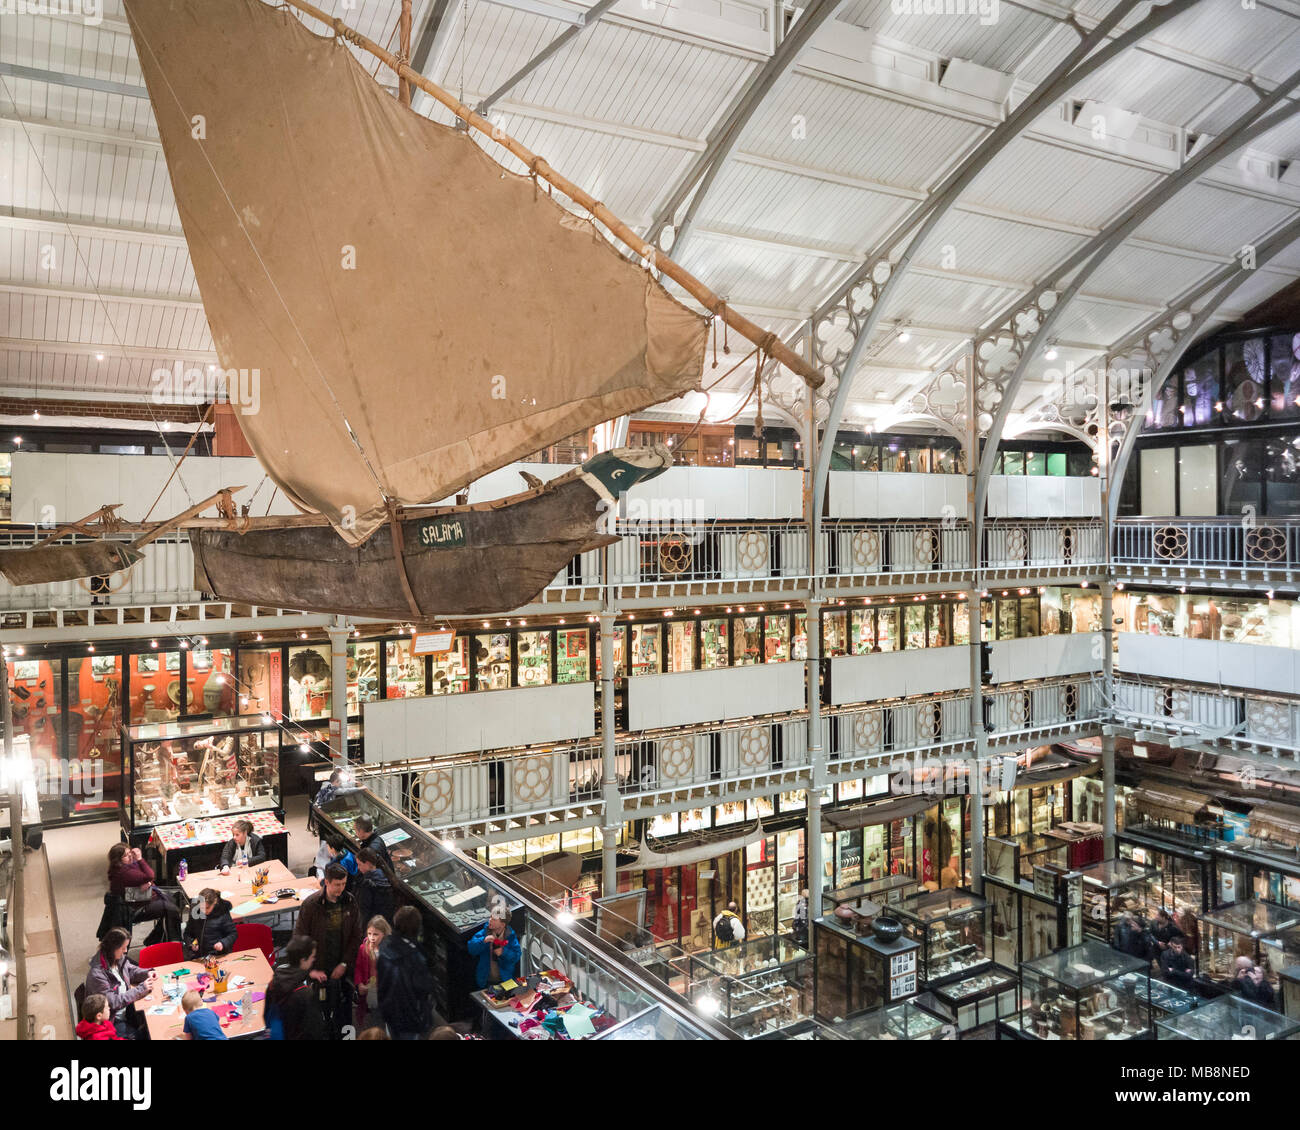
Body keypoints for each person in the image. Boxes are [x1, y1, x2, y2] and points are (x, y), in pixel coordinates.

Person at [295, 862, 361, 1038]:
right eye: (337, 885)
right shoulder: (311, 905)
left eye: (344, 884)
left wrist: (345, 963)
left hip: (343, 970)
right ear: (327, 882)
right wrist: (310, 971)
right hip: (319, 970)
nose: (341, 889)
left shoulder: (350, 901)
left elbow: (356, 935)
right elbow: (299, 939)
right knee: (318, 1015)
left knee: (344, 1016)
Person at [84, 927, 155, 1039]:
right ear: (113, 948)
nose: (125, 951)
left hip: (126, 1010)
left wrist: (148, 973)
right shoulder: (97, 975)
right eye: (123, 948)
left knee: (152, 1021)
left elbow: (131, 971)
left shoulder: (118, 958)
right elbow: (114, 1002)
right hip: (111, 1021)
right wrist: (141, 989)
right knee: (145, 1035)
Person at [377, 905, 435, 1040]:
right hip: (410, 1017)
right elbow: (424, 988)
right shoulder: (415, 958)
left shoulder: (385, 945)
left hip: (389, 1010)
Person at [106, 843, 178, 946]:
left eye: (130, 852)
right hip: (133, 909)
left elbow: (146, 877)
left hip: (134, 899)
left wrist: (146, 882)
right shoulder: (125, 872)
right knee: (171, 908)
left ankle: (155, 939)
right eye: (126, 855)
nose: (130, 856)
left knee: (171, 901)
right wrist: (140, 859)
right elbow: (150, 875)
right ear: (118, 860)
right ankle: (172, 943)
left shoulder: (125, 867)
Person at [266, 937, 328, 1041]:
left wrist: (307, 974)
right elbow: (315, 1031)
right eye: (312, 956)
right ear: (303, 959)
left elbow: (266, 1012)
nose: (314, 959)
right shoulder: (305, 994)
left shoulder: (275, 979)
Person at [468, 901, 521, 989]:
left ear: (502, 924)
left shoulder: (510, 937)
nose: (490, 920)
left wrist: (503, 952)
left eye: (494, 919)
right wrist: (483, 941)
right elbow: (471, 948)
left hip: (504, 981)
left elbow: (516, 956)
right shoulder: (484, 933)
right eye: (490, 917)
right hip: (486, 980)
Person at [354, 915, 392, 1032]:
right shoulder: (363, 948)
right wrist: (359, 983)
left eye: (376, 934)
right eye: (369, 933)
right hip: (371, 991)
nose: (372, 937)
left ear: (384, 934)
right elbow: (359, 967)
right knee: (375, 1018)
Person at [182, 888, 238, 958]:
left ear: (214, 903)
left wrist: (223, 943)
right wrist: (191, 943)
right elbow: (187, 933)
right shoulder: (195, 912)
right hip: (199, 956)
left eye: (207, 908)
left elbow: (233, 934)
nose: (204, 911)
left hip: (218, 956)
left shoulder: (222, 913)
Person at [354, 848, 396, 926]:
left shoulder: (367, 884)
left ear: (367, 863)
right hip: (384, 923)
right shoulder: (386, 877)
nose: (358, 868)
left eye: (359, 864)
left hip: (373, 925)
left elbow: (364, 911)